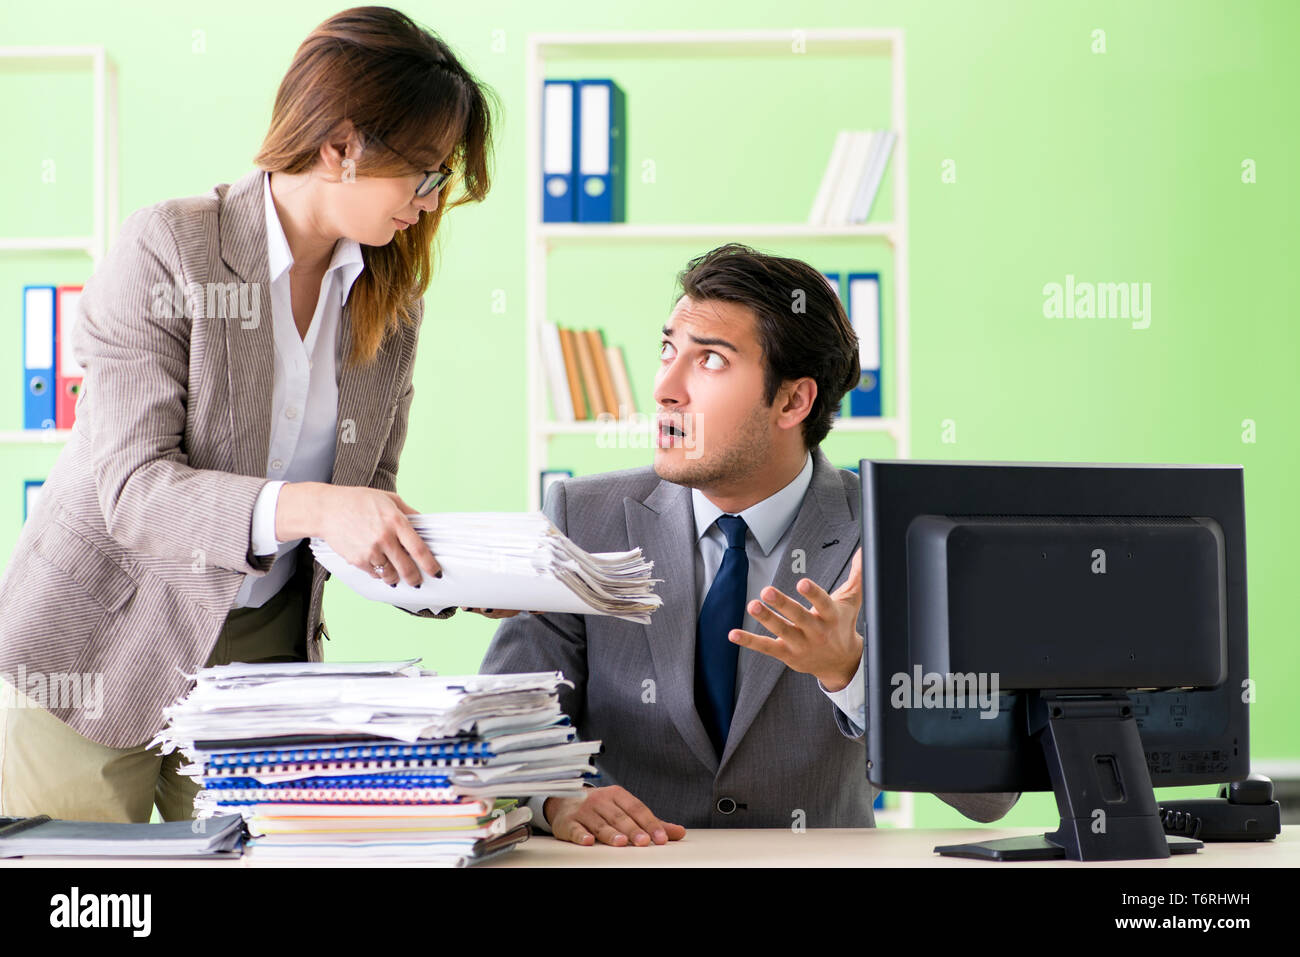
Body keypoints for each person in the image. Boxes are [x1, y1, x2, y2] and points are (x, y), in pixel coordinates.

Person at [0, 7, 498, 823]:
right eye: (425, 172)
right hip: (96, 645)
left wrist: (463, 575)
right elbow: (136, 490)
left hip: (259, 670)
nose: (431, 200)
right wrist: (317, 506)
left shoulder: (390, 305)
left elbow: (360, 512)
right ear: (342, 147)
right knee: (92, 901)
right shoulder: (168, 247)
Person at [480, 243, 1019, 845]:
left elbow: (988, 793)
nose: (665, 388)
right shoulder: (583, 519)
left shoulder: (901, 533)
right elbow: (502, 731)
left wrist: (853, 674)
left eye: (710, 360)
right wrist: (557, 796)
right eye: (668, 350)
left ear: (793, 400)